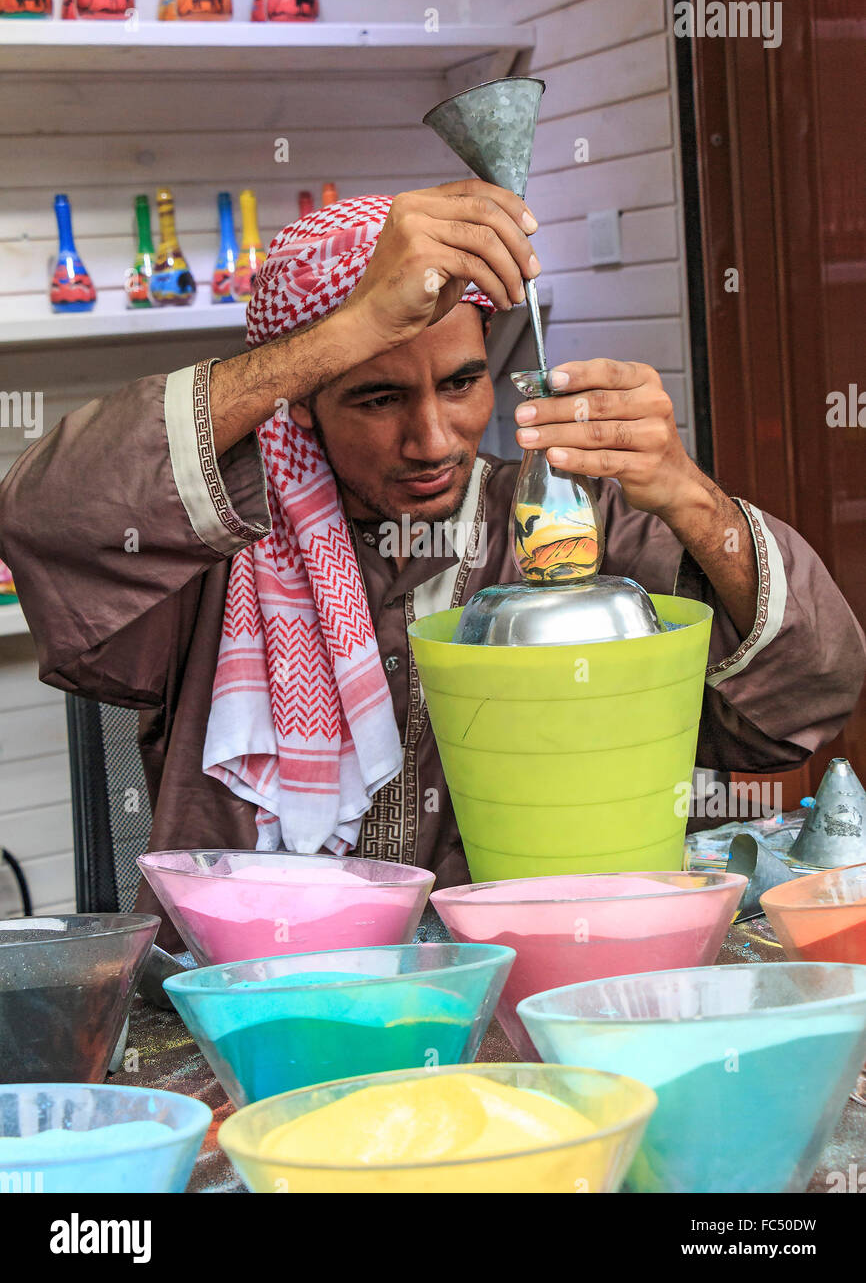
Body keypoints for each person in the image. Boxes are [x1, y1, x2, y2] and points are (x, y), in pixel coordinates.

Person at [1, 185, 862, 948]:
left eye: (460, 384)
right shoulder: (219, 547)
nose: (435, 439)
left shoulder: (564, 539)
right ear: (302, 400)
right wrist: (341, 333)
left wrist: (690, 497)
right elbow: (43, 517)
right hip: (267, 999)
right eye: (376, 395)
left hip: (536, 986)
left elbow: (809, 695)